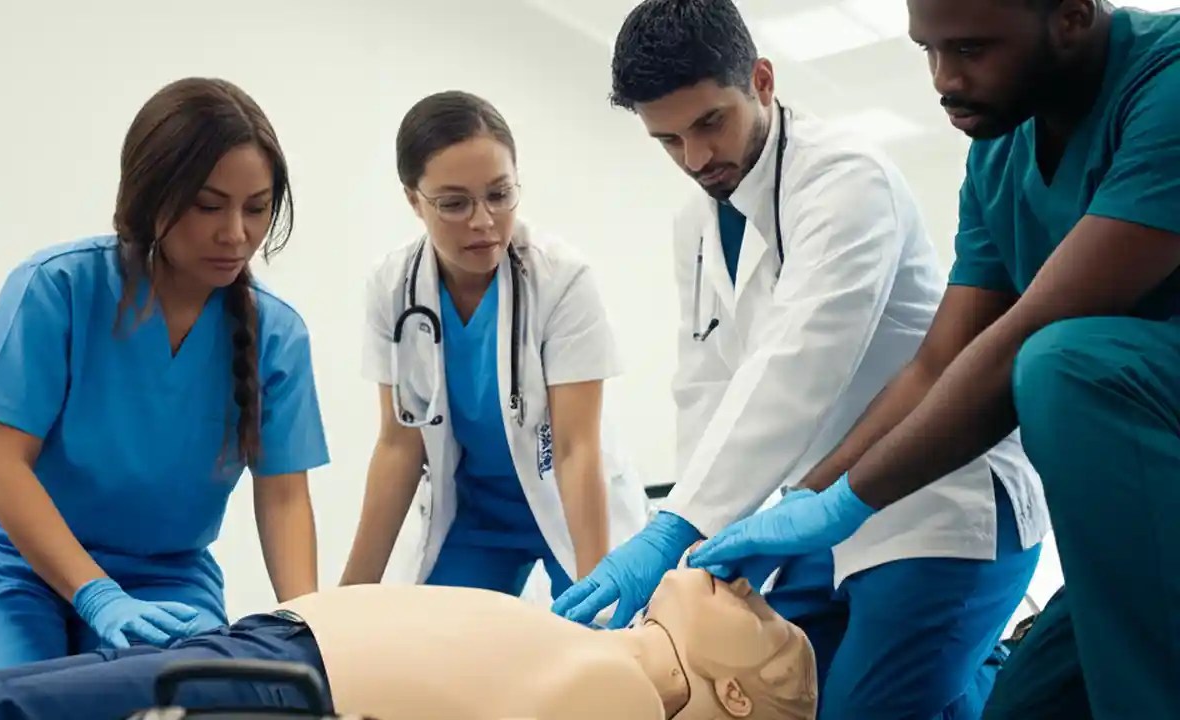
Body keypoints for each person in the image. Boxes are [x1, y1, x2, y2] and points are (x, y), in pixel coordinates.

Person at [683, 1, 1180, 718]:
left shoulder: (1165, 84)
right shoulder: (1000, 150)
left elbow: (1034, 329)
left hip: (1125, 453)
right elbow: (935, 364)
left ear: (1071, 16)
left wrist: (847, 502)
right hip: (1142, 515)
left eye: (972, 48)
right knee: (1026, 707)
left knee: (1059, 361)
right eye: (929, 50)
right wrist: (808, 501)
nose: (944, 79)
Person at [554, 1, 1050, 717]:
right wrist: (699, 547)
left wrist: (678, 527)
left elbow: (799, 362)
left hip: (937, 504)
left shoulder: (847, 179)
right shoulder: (696, 224)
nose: (696, 160)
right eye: (667, 140)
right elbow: (708, 387)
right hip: (812, 516)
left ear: (760, 81)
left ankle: (993, 666)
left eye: (709, 123)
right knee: (777, 698)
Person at [0, 77, 329, 675]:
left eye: (257, 208)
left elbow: (284, 497)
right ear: (152, 193)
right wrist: (97, 595)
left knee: (192, 699)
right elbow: (0, 470)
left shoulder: (278, 336)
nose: (236, 233)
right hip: (4, 559)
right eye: (208, 206)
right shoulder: (57, 287)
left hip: (166, 579)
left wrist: (303, 632)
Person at [338, 90, 649, 598]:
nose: (483, 221)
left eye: (500, 195)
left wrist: (599, 591)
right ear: (414, 201)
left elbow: (575, 449)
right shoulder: (393, 287)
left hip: (567, 500)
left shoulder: (561, 279)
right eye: (454, 203)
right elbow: (399, 445)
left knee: (593, 640)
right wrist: (347, 598)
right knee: (436, 651)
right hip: (475, 511)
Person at [0, 565, 818, 720]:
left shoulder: (618, 697)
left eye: (770, 627)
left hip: (291, 681)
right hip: (281, 648)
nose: (748, 587)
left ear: (733, 696)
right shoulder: (603, 649)